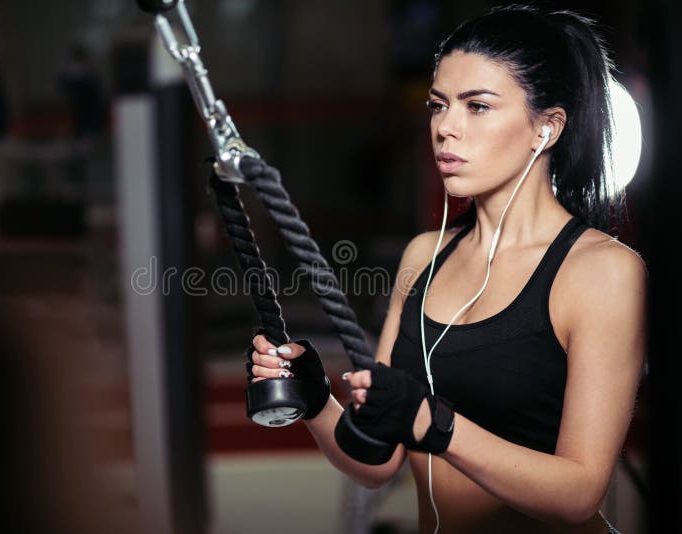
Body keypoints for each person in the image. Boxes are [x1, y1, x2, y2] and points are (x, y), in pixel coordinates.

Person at [247, 5, 645, 534]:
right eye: (439, 106)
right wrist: (317, 399)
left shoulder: (602, 271)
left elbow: (579, 492)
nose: (445, 129)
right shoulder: (423, 257)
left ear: (546, 128)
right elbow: (379, 461)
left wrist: (437, 425)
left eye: (477, 106)